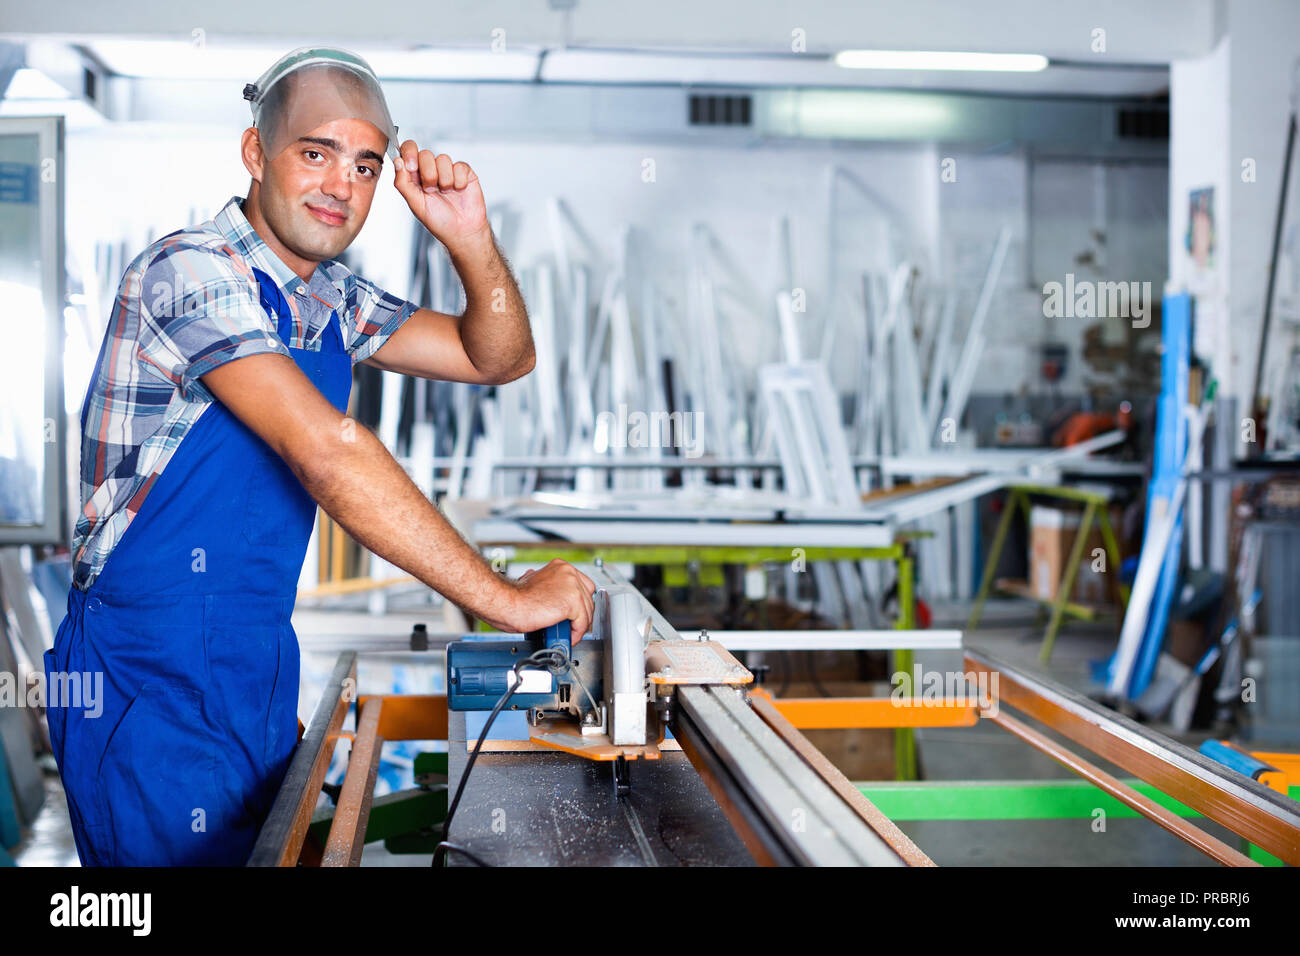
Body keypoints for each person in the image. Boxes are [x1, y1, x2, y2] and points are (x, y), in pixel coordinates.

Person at [45, 47, 595, 866]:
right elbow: (329, 454)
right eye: (316, 152)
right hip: (145, 678)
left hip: (252, 662)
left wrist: (470, 239)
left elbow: (499, 356)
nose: (342, 184)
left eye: (367, 165)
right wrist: (502, 597)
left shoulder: (327, 298)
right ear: (255, 153)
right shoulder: (190, 271)